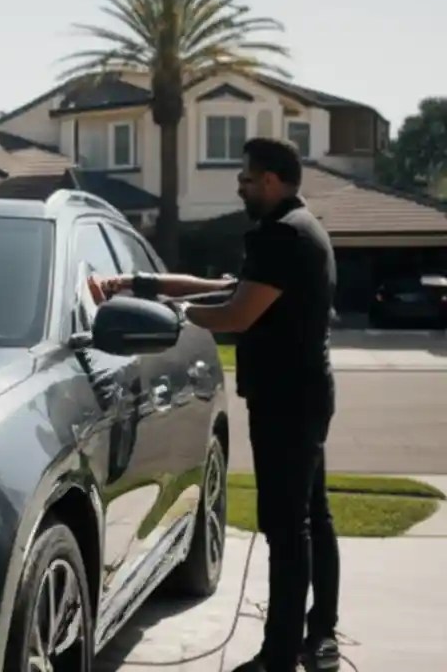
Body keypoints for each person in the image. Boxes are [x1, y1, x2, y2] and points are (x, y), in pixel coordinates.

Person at [95, 137, 340, 672]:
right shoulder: (305, 230)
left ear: (272, 180)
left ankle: (278, 656)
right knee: (312, 517)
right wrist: (142, 287)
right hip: (305, 393)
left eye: (247, 178)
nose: (241, 186)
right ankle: (320, 636)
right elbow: (224, 289)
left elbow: (234, 315)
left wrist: (168, 318)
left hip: (286, 401)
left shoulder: (280, 237)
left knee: (286, 527)